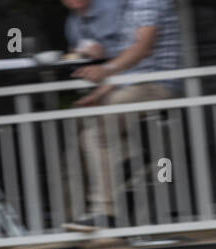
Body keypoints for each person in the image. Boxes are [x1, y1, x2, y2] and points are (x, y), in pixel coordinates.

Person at [64, 0, 182, 231]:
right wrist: (100, 93)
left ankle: (105, 211)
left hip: (155, 85)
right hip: (134, 85)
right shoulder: (127, 6)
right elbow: (129, 66)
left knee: (98, 129)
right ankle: (131, 163)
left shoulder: (147, 2)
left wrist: (106, 71)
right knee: (89, 129)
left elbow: (143, 48)